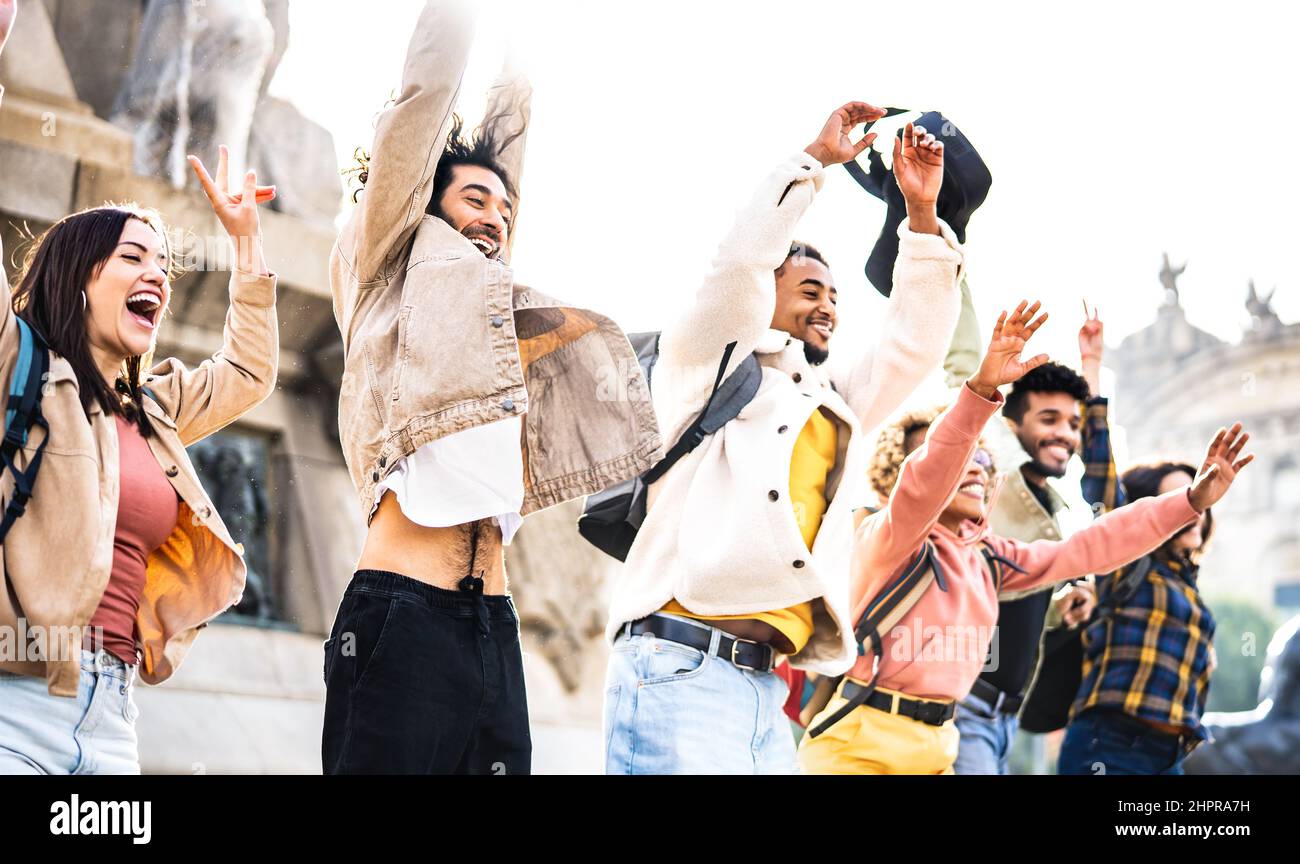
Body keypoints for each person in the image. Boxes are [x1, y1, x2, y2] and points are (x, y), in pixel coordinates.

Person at [324, 0, 661, 775]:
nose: (496, 217)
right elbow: (424, 99)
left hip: (493, 628)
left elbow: (514, 133)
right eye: (474, 199)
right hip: (401, 611)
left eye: (505, 208)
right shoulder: (387, 272)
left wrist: (522, 53)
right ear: (421, 203)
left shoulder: (493, 307)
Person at [603, 103, 966, 774]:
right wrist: (813, 163)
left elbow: (912, 346)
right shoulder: (702, 364)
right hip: (679, 666)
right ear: (765, 294)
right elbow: (738, 266)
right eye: (809, 289)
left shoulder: (827, 402)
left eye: (836, 295)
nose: (828, 304)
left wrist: (920, 216)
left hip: (764, 691)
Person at [0, 0, 281, 771]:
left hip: (114, 716)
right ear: (79, 277)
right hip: (15, 702)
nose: (156, 271)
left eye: (163, 260)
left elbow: (250, 372)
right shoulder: (20, 367)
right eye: (132, 257)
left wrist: (246, 242)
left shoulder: (154, 409)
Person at [797, 301, 1252, 774]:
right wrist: (982, 388)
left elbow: (1090, 546)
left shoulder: (990, 557)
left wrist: (1189, 503)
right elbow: (931, 471)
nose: (976, 467)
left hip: (939, 747)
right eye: (963, 460)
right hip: (860, 746)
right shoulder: (891, 535)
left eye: (985, 461)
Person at [947, 296, 1102, 774]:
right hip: (963, 706)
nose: (1066, 435)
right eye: (1049, 420)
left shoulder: (1051, 511)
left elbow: (1002, 597)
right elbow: (961, 372)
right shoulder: (997, 474)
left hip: (1004, 719)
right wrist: (952, 261)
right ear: (1011, 427)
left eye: (1073, 424)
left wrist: (1056, 610)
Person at [1057, 380, 1244, 773]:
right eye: (1184, 498)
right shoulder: (1128, 560)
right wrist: (1091, 380)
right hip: (1110, 745)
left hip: (1169, 755)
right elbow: (1103, 485)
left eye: (1202, 496)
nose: (1197, 507)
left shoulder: (1188, 588)